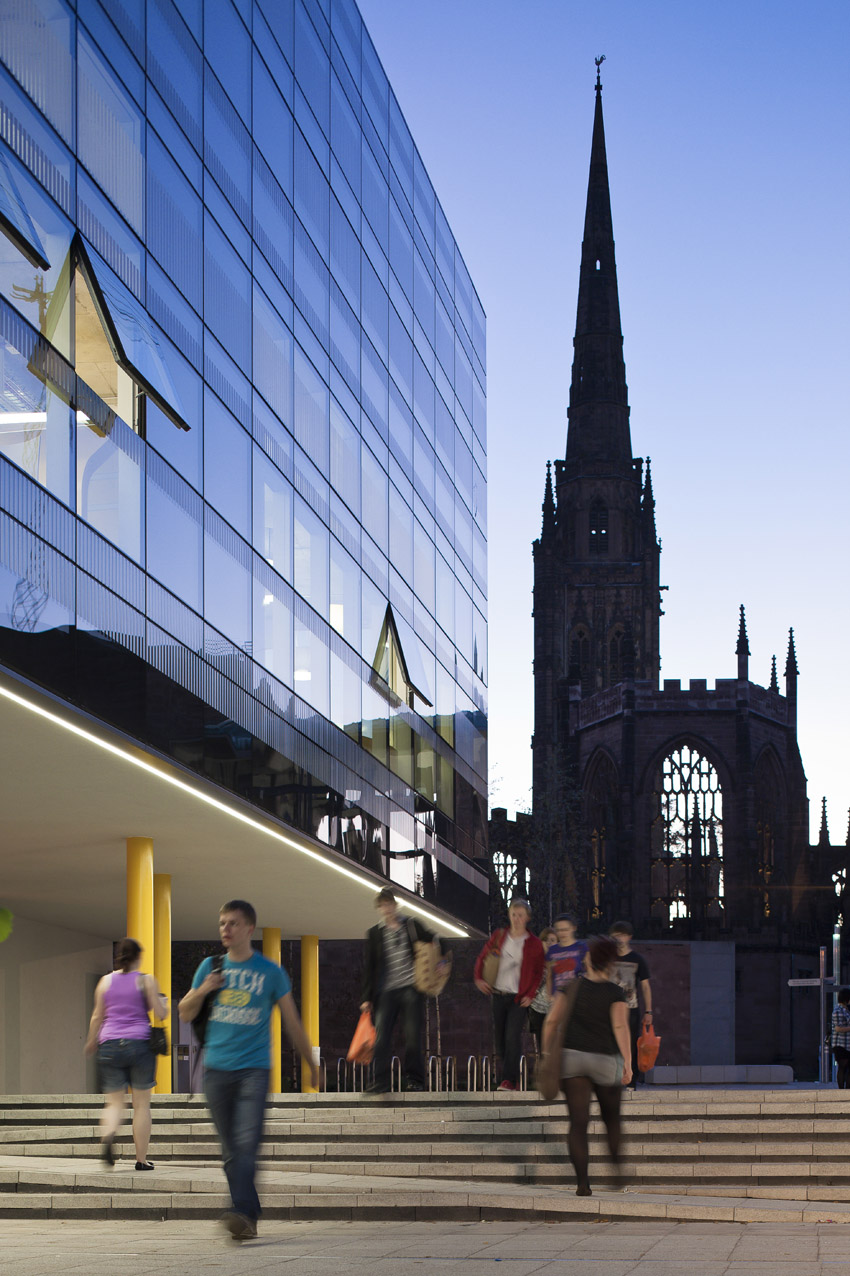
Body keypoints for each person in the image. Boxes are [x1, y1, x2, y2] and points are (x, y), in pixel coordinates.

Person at [179, 900, 318, 1242]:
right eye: (222, 923)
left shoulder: (270, 972)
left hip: (253, 1070)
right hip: (216, 1070)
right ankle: (248, 1213)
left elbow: (292, 1021)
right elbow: (184, 1012)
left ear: (249, 929)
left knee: (245, 1142)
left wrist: (311, 1063)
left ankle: (240, 1210)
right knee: (231, 1149)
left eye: (233, 923)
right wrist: (205, 988)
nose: (225, 929)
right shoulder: (210, 967)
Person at [542, 934, 632, 1196]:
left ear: (589, 959)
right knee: (611, 1119)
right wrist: (628, 1062)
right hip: (605, 1060)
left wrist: (547, 1053)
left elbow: (551, 1022)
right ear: (610, 963)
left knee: (578, 1122)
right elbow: (620, 1027)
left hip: (572, 1059)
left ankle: (583, 1183)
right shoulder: (615, 992)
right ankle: (616, 1171)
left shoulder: (570, 987)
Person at [84, 937, 168, 1170]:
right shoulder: (146, 981)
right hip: (140, 1044)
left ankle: (108, 1136)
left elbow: (97, 1015)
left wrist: (91, 1041)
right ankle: (141, 1159)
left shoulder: (105, 982)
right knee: (141, 1105)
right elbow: (161, 1012)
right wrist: (163, 1003)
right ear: (138, 957)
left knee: (113, 1104)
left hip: (109, 1044)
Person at [360, 887, 443, 1093]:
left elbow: (437, 939)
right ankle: (380, 1081)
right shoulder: (375, 933)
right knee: (381, 1036)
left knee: (413, 1036)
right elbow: (370, 967)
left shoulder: (412, 926)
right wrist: (366, 998)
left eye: (389, 904)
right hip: (386, 991)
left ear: (395, 905)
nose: (387, 909)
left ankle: (415, 1080)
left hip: (411, 989)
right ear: (379, 908)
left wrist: (441, 960)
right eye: (383, 905)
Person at [474, 897, 545, 1090]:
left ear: (527, 917)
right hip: (498, 993)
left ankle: (509, 1079)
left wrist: (531, 994)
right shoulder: (499, 936)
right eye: (514, 914)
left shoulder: (534, 943)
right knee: (500, 1039)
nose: (517, 919)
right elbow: (483, 957)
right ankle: (511, 1076)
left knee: (512, 1036)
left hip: (518, 997)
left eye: (520, 915)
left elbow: (539, 972)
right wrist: (479, 978)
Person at [608, 920, 652, 1086]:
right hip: (609, 1008)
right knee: (610, 1043)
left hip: (630, 1008)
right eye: (615, 936)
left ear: (629, 937)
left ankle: (631, 1080)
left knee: (630, 1043)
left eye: (622, 935)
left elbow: (645, 986)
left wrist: (648, 1011)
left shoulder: (637, 959)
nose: (618, 939)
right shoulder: (608, 958)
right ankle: (612, 1078)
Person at [527, 927, 556, 1054]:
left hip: (556, 1008)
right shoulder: (535, 961)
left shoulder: (562, 961)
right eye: (546, 940)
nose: (549, 943)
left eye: (552, 940)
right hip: (538, 1009)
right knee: (543, 1048)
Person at [547, 913, 588, 995]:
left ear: (573, 928)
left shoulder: (581, 948)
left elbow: (589, 971)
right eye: (558, 930)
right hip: (557, 994)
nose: (562, 933)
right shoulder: (552, 951)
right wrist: (550, 995)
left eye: (565, 930)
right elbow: (549, 975)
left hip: (577, 994)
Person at [832, 988, 850, 1088]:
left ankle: (848, 1090)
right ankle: (841, 1090)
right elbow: (838, 1028)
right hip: (840, 1044)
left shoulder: (847, 1009)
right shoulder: (838, 1011)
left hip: (848, 1043)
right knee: (842, 1066)